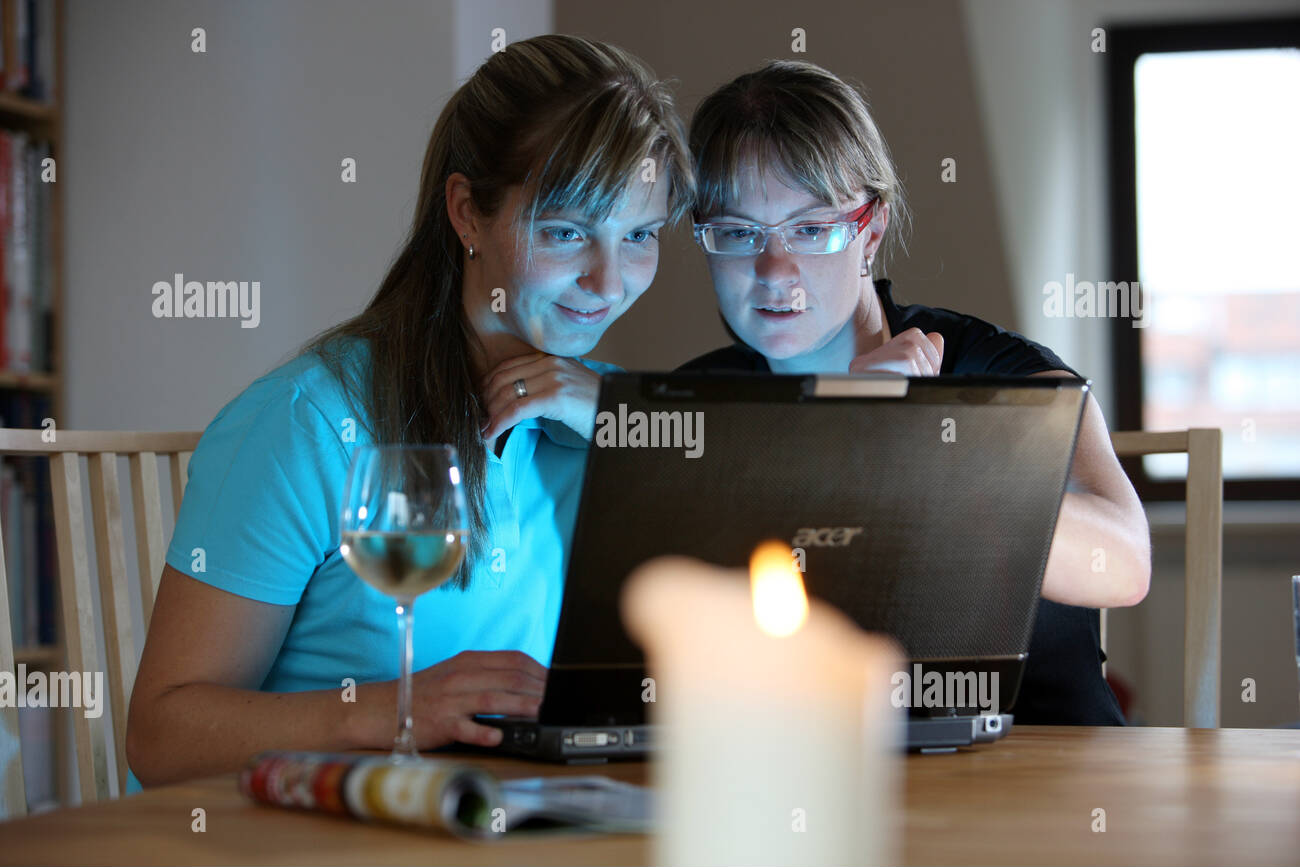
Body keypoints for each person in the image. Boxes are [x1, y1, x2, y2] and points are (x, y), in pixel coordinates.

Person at [125, 36, 693, 787]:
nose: (608, 280)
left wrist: (630, 427)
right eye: (565, 231)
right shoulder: (309, 423)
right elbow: (160, 737)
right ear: (467, 213)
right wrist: (391, 711)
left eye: (641, 236)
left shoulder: (611, 416)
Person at [678, 60, 1150, 725]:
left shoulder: (1000, 370)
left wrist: (913, 438)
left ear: (870, 230)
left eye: (811, 230)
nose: (772, 270)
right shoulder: (694, 406)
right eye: (736, 233)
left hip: (1041, 772)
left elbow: (1122, 565)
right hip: (830, 778)